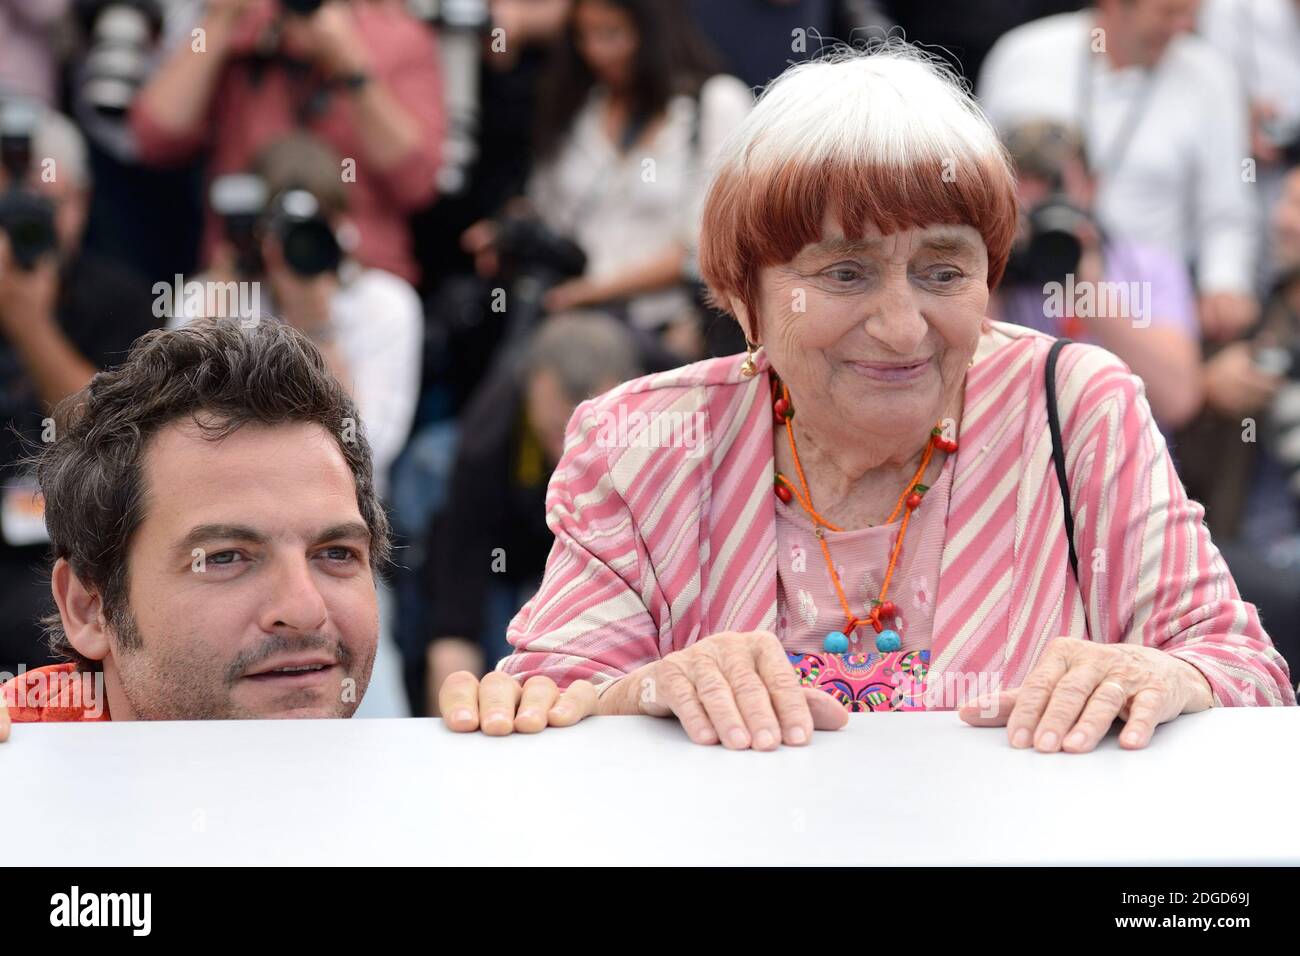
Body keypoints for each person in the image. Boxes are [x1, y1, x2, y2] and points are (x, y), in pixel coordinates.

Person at [440, 46, 1295, 750]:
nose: (901, 326)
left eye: (943, 271)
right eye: (845, 272)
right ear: (744, 296)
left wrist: (1167, 676)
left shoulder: (1075, 404)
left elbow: (1247, 671)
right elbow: (545, 707)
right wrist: (647, 687)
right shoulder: (642, 439)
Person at [0, 318, 389, 735]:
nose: (304, 610)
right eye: (225, 557)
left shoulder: (445, 777)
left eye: (336, 553)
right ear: (90, 608)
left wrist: (466, 759)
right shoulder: (17, 773)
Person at [462, 0, 753, 339]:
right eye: (583, 36)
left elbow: (707, 249)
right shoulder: (577, 104)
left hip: (666, 326)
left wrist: (588, 293)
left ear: (654, 32)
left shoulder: (716, 103)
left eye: (611, 34)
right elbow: (548, 211)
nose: (597, 51)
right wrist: (508, 231)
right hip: (564, 312)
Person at [978, 0, 1260, 343]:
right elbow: (981, 179)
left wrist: (1224, 285)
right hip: (1024, 285)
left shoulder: (1211, 74)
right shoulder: (1023, 55)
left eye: (1190, 14)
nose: (1183, 27)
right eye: (1168, 13)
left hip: (1149, 301)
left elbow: (1227, 206)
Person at [166, 131, 422, 496]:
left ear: (340, 228)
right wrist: (224, 289)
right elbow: (177, 414)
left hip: (339, 500)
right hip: (228, 494)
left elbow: (370, 446)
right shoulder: (211, 295)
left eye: (313, 228)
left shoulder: (386, 303)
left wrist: (318, 324)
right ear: (258, 231)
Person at [0, 105, 158, 674]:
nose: (22, 227)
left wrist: (27, 322)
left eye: (45, 207)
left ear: (83, 204)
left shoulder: (123, 298)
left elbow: (117, 440)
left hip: (71, 546)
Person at [130, 0, 443, 284]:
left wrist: (352, 67)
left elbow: (417, 182)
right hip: (243, 276)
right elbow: (154, 138)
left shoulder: (396, 36)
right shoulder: (242, 29)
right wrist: (220, 21)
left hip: (361, 275)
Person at [423, 311, 642, 713]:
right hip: (510, 555)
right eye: (553, 435)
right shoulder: (484, 443)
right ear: (533, 386)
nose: (567, 460)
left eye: (589, 438)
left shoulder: (666, 410)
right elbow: (459, 603)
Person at [991, 119, 1203, 431]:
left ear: (1091, 185)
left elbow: (1179, 399)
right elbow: (973, 390)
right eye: (1017, 181)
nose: (1032, 199)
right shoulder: (989, 273)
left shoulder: (1149, 267)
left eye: (1049, 181)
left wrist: (1086, 290)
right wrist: (992, 268)